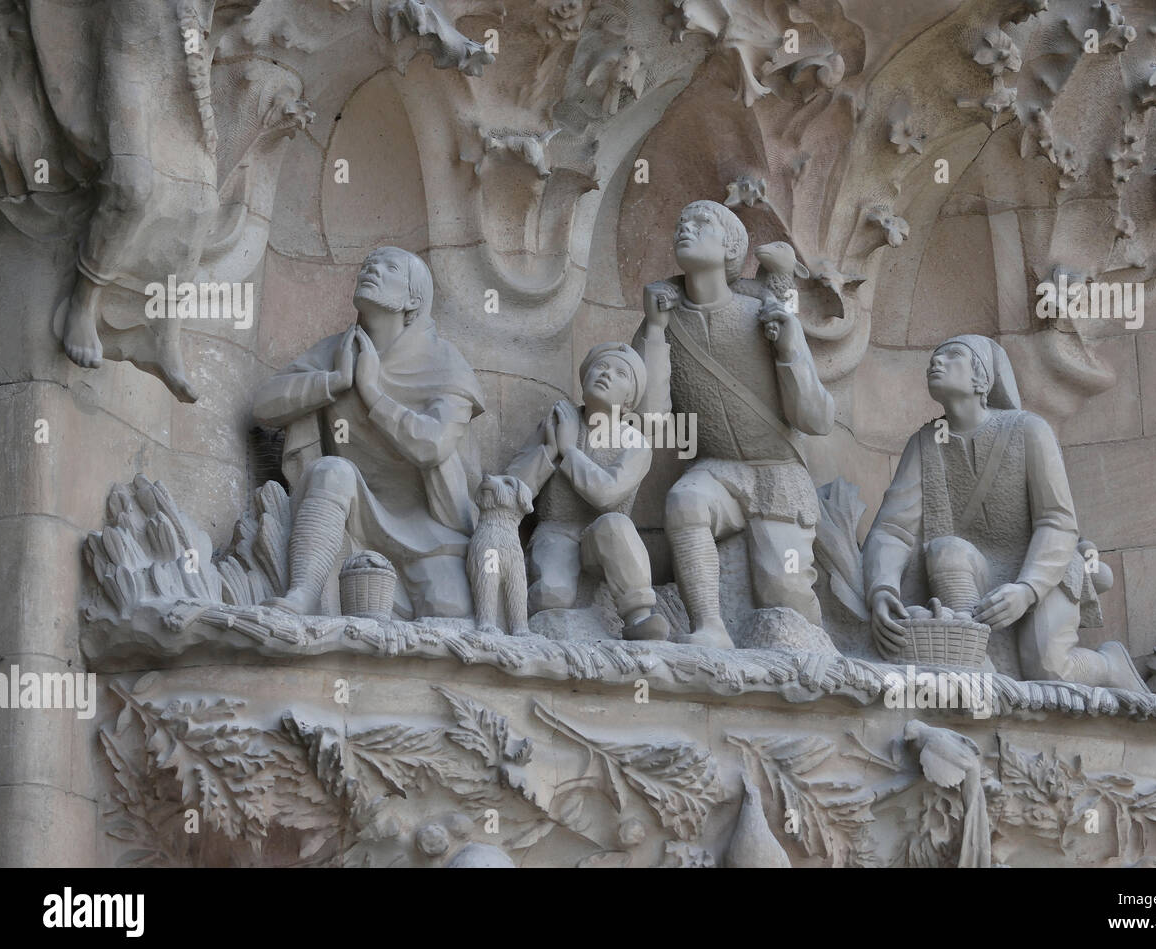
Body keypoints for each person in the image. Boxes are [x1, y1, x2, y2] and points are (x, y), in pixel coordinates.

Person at [862, 334, 1146, 691]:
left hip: (1041, 570)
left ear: (982, 378)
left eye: (953, 356)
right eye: (934, 356)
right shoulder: (924, 443)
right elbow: (894, 528)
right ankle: (977, 664)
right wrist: (882, 589)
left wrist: (1027, 589)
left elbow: (1057, 522)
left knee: (1048, 669)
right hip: (971, 570)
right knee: (944, 548)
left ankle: (1108, 666)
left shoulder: (1029, 429)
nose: (936, 362)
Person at [633, 200, 835, 649]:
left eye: (702, 221)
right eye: (681, 221)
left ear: (731, 246)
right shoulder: (662, 323)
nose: (686, 226)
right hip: (717, 467)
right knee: (685, 500)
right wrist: (651, 330)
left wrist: (789, 350)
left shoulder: (760, 315)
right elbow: (650, 420)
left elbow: (817, 419)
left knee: (785, 599)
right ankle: (709, 627)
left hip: (778, 472)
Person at [253, 246, 484, 618]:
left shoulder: (446, 363)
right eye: (366, 265)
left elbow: (433, 445)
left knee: (450, 609)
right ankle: (304, 593)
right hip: (349, 512)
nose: (370, 270)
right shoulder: (336, 351)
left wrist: (372, 394)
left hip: (428, 529)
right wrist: (336, 381)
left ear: (414, 297)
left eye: (388, 267)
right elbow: (264, 406)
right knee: (331, 471)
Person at [505, 342, 670, 641]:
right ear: (583, 380)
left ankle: (639, 616)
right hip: (555, 530)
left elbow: (606, 496)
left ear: (630, 401)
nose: (606, 374)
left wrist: (569, 453)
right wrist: (550, 451)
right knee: (551, 597)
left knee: (615, 525)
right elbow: (516, 487)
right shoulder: (557, 423)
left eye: (621, 373)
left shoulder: (636, 444)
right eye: (601, 366)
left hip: (602, 536)